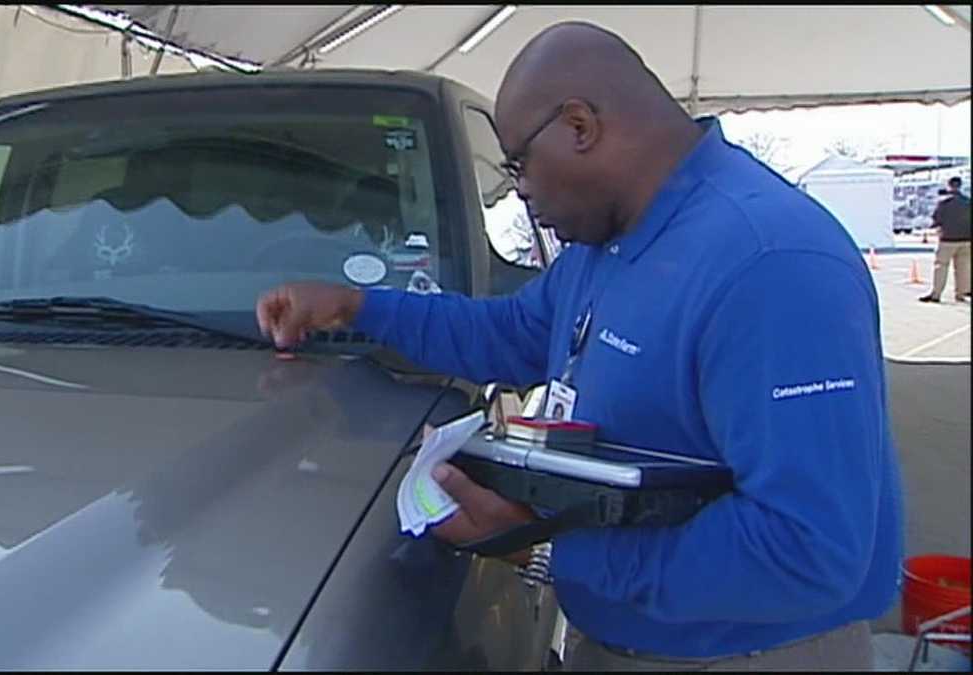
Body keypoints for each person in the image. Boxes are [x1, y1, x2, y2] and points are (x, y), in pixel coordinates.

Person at [256, 22, 902, 671]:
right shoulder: (604, 249)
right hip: (623, 639)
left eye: (518, 164)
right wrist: (357, 306)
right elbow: (507, 334)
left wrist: (542, 550)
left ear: (580, 125)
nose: (519, 190)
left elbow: (807, 550)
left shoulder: (769, 263)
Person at [919, 176, 971, 303]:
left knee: (941, 266)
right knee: (963, 267)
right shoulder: (968, 201)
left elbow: (936, 220)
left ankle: (936, 294)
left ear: (949, 186)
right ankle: (961, 293)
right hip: (966, 239)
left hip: (947, 239)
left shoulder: (944, 203)